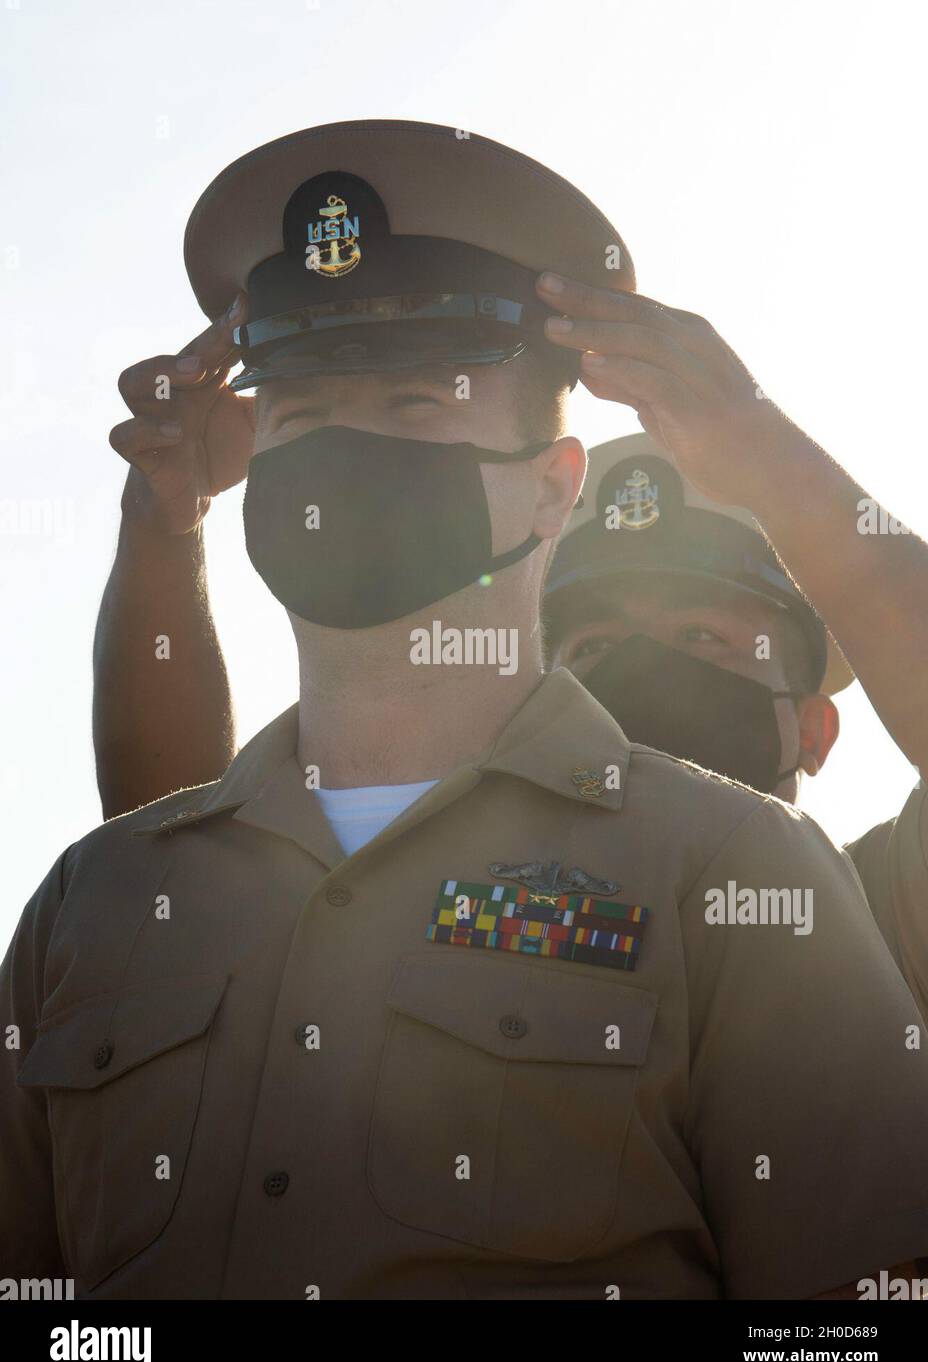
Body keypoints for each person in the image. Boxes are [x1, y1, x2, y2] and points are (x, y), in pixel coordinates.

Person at [2, 119, 927, 1301]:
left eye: (414, 402)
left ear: (549, 489)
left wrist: (762, 449)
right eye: (302, 416)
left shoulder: (757, 877)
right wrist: (159, 524)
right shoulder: (95, 898)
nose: (347, 453)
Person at [543, 432, 928, 1021]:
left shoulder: (883, 915)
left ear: (812, 732)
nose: (641, 670)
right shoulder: (488, 912)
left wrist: (748, 430)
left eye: (700, 634)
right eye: (596, 645)